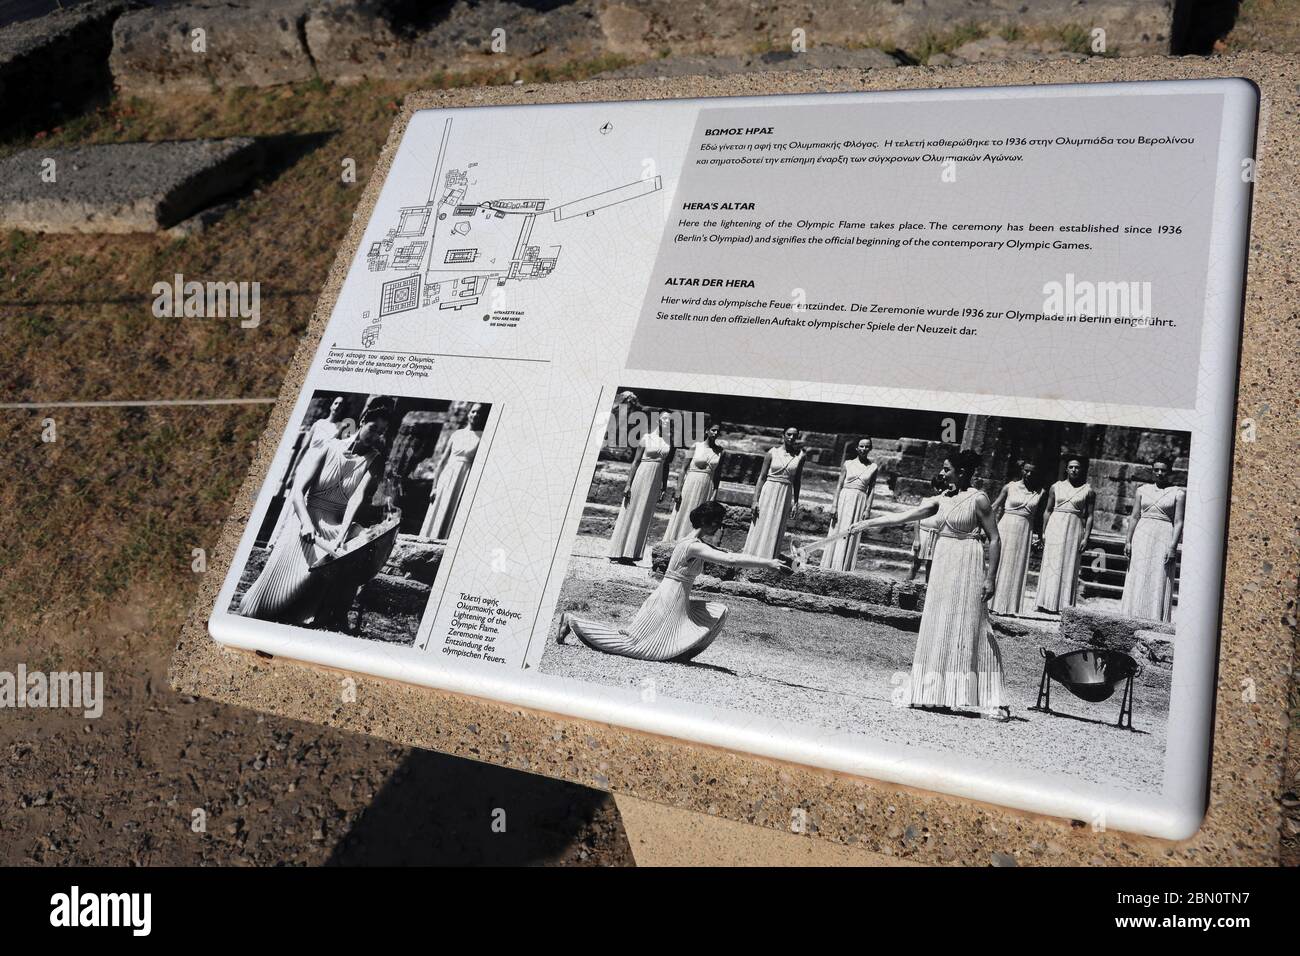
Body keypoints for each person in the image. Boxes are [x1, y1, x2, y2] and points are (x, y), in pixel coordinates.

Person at [852, 450, 1007, 719]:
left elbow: (994, 538)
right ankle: (935, 693)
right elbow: (904, 516)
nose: (943, 473)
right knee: (938, 621)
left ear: (962, 472)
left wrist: (990, 577)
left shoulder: (979, 499)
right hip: (944, 562)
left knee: (972, 624)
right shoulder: (940, 500)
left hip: (968, 562)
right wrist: (867, 523)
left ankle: (992, 697)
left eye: (948, 469)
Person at [559, 500, 787, 662]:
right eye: (717, 523)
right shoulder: (692, 545)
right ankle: (572, 621)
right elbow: (730, 559)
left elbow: (728, 554)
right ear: (708, 523)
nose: (719, 527)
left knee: (719, 611)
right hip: (668, 599)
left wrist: (772, 561)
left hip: (678, 598)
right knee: (636, 645)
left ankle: (679, 653)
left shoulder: (697, 544)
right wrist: (769, 563)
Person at [239, 411, 391, 624]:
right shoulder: (329, 447)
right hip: (305, 519)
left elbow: (358, 499)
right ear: (362, 421)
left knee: (359, 539)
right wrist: (307, 525)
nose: (375, 436)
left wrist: (341, 537)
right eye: (373, 429)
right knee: (260, 610)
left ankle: (331, 614)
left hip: (337, 523)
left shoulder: (374, 460)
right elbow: (298, 493)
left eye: (381, 433)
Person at [268, 395, 349, 547]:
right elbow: (304, 448)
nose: (338, 406)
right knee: (293, 499)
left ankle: (292, 541)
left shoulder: (341, 427)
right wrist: (292, 472)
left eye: (341, 404)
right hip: (306, 463)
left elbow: (334, 448)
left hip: (321, 468)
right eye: (336, 402)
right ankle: (276, 540)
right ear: (331, 405)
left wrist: (340, 431)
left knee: (306, 502)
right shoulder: (319, 423)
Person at [1121, 458, 1186, 622]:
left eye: (1163, 470)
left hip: (1164, 534)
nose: (1159, 473)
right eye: (1156, 470)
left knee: (1159, 573)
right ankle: (1132, 613)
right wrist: (1128, 540)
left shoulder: (1178, 493)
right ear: (1152, 471)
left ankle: (1155, 617)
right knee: (1139, 571)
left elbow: (1178, 522)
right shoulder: (1142, 490)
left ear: (1169, 472)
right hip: (1142, 534)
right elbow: (1134, 516)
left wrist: (1173, 547)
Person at [608, 408, 675, 563]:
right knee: (631, 510)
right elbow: (635, 462)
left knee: (644, 513)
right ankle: (617, 552)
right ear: (658, 420)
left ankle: (631, 554)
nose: (667, 422)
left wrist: (664, 486)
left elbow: (666, 466)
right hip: (642, 475)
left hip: (655, 480)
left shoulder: (669, 441)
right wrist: (628, 485)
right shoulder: (646, 437)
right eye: (664, 419)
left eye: (670, 420)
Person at [1034, 457, 1095, 614]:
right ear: (1066, 469)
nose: (1074, 470)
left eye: (1077, 468)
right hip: (1056, 525)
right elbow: (1047, 510)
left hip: (1074, 528)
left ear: (1081, 470)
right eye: (1071, 467)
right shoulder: (1056, 487)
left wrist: (1086, 537)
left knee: (1069, 563)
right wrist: (1044, 531)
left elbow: (1089, 516)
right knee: (1051, 562)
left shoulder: (1088, 490)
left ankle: (1064, 605)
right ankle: (1044, 601)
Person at [420, 403, 488, 541]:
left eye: (479, 413)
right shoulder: (457, 434)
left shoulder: (483, 437)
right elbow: (442, 462)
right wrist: (434, 487)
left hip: (464, 478)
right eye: (473, 411)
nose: (475, 415)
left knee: (453, 513)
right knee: (437, 510)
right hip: (447, 477)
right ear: (469, 413)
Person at [988, 461, 1046, 615]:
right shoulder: (1009, 487)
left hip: (1025, 530)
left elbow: (1039, 517)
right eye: (1026, 471)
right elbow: (994, 507)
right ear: (1022, 470)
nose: (1029, 474)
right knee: (1001, 563)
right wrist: (984, 527)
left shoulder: (1041, 492)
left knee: (1016, 566)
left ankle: (1007, 606)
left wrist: (1040, 537)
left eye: (1033, 472)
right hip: (1006, 527)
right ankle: (991, 603)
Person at [743, 427, 807, 558]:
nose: (791, 438)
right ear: (783, 435)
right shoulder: (772, 452)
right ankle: (752, 554)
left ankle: (769, 556)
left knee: (777, 524)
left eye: (795, 435)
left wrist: (796, 502)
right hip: (769, 490)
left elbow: (797, 481)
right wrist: (755, 500)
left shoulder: (800, 456)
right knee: (762, 521)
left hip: (785, 492)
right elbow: (761, 477)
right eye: (789, 434)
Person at [819, 437, 879, 571]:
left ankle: (844, 567)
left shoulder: (873, 467)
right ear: (857, 448)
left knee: (851, 531)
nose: (864, 449)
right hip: (844, 498)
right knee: (838, 529)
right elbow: (839, 485)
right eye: (862, 446)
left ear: (870, 449)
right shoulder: (848, 463)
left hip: (860, 500)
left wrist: (867, 509)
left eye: (867, 446)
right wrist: (834, 505)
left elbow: (872, 489)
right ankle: (830, 565)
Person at [662, 420, 723, 542]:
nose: (715, 433)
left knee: (701, 516)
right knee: (684, 511)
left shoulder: (720, 451)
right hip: (691, 482)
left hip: (707, 485)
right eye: (713, 430)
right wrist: (678, 489)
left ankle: (692, 543)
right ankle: (674, 541)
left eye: (718, 431)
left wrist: (714, 494)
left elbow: (717, 476)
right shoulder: (695, 446)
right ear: (707, 431)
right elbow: (683, 469)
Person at [908, 474, 951, 582]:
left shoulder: (947, 502)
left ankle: (927, 590)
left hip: (936, 535)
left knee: (931, 567)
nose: (941, 490)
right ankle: (905, 586)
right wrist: (917, 539)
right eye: (938, 487)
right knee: (915, 564)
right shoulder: (926, 501)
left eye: (943, 487)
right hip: (923, 534)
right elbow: (917, 520)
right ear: (934, 488)